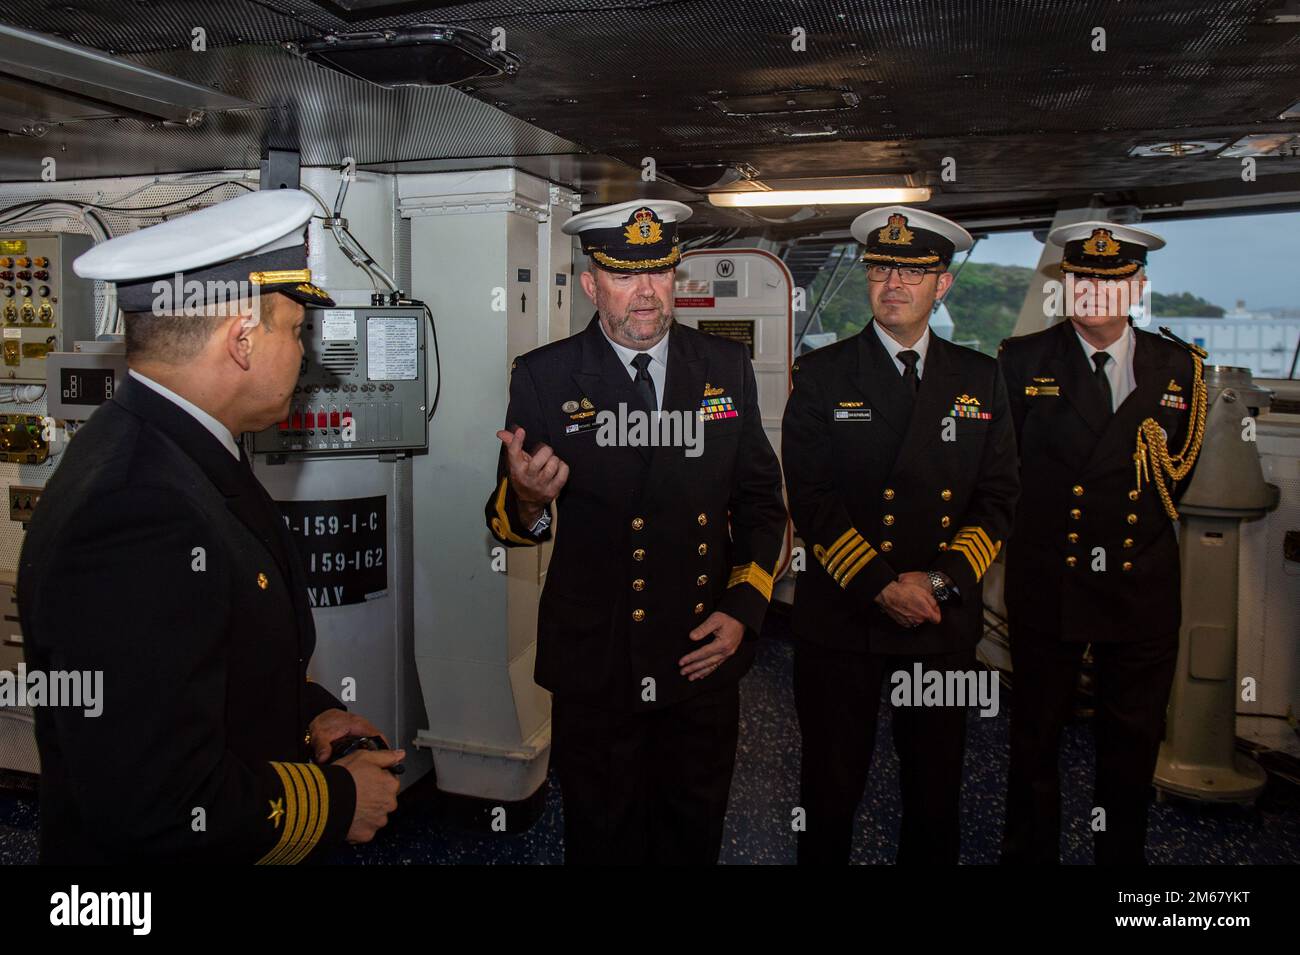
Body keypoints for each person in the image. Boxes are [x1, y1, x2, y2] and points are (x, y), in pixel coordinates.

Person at [19, 188, 401, 863]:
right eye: (293, 330)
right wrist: (338, 801)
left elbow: (204, 663)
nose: (303, 354)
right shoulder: (139, 511)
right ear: (243, 341)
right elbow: (157, 803)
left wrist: (306, 711)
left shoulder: (166, 445)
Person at [485, 199, 787, 864]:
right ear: (592, 283)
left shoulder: (725, 369)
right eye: (625, 275)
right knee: (603, 837)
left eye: (660, 273)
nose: (646, 293)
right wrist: (531, 500)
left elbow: (764, 504)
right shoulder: (545, 376)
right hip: (599, 665)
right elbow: (506, 520)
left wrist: (745, 607)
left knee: (693, 832)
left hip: (700, 652)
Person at [782, 206, 1019, 864]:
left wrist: (938, 583)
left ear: (941, 284)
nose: (893, 283)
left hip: (939, 623)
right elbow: (812, 497)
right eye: (881, 267)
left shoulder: (980, 378)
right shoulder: (823, 374)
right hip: (843, 620)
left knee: (935, 791)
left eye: (912, 272)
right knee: (828, 791)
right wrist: (883, 585)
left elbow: (999, 497)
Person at [998, 221, 1208, 865]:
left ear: (1137, 288)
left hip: (1139, 584)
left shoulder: (1180, 366)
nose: (1095, 293)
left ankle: (1121, 859)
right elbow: (1003, 472)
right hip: (1049, 577)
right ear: (1066, 285)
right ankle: (1029, 853)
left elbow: (1174, 478)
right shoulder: (1022, 360)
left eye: (1112, 281)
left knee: (1133, 738)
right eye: (1083, 279)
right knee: (1036, 735)